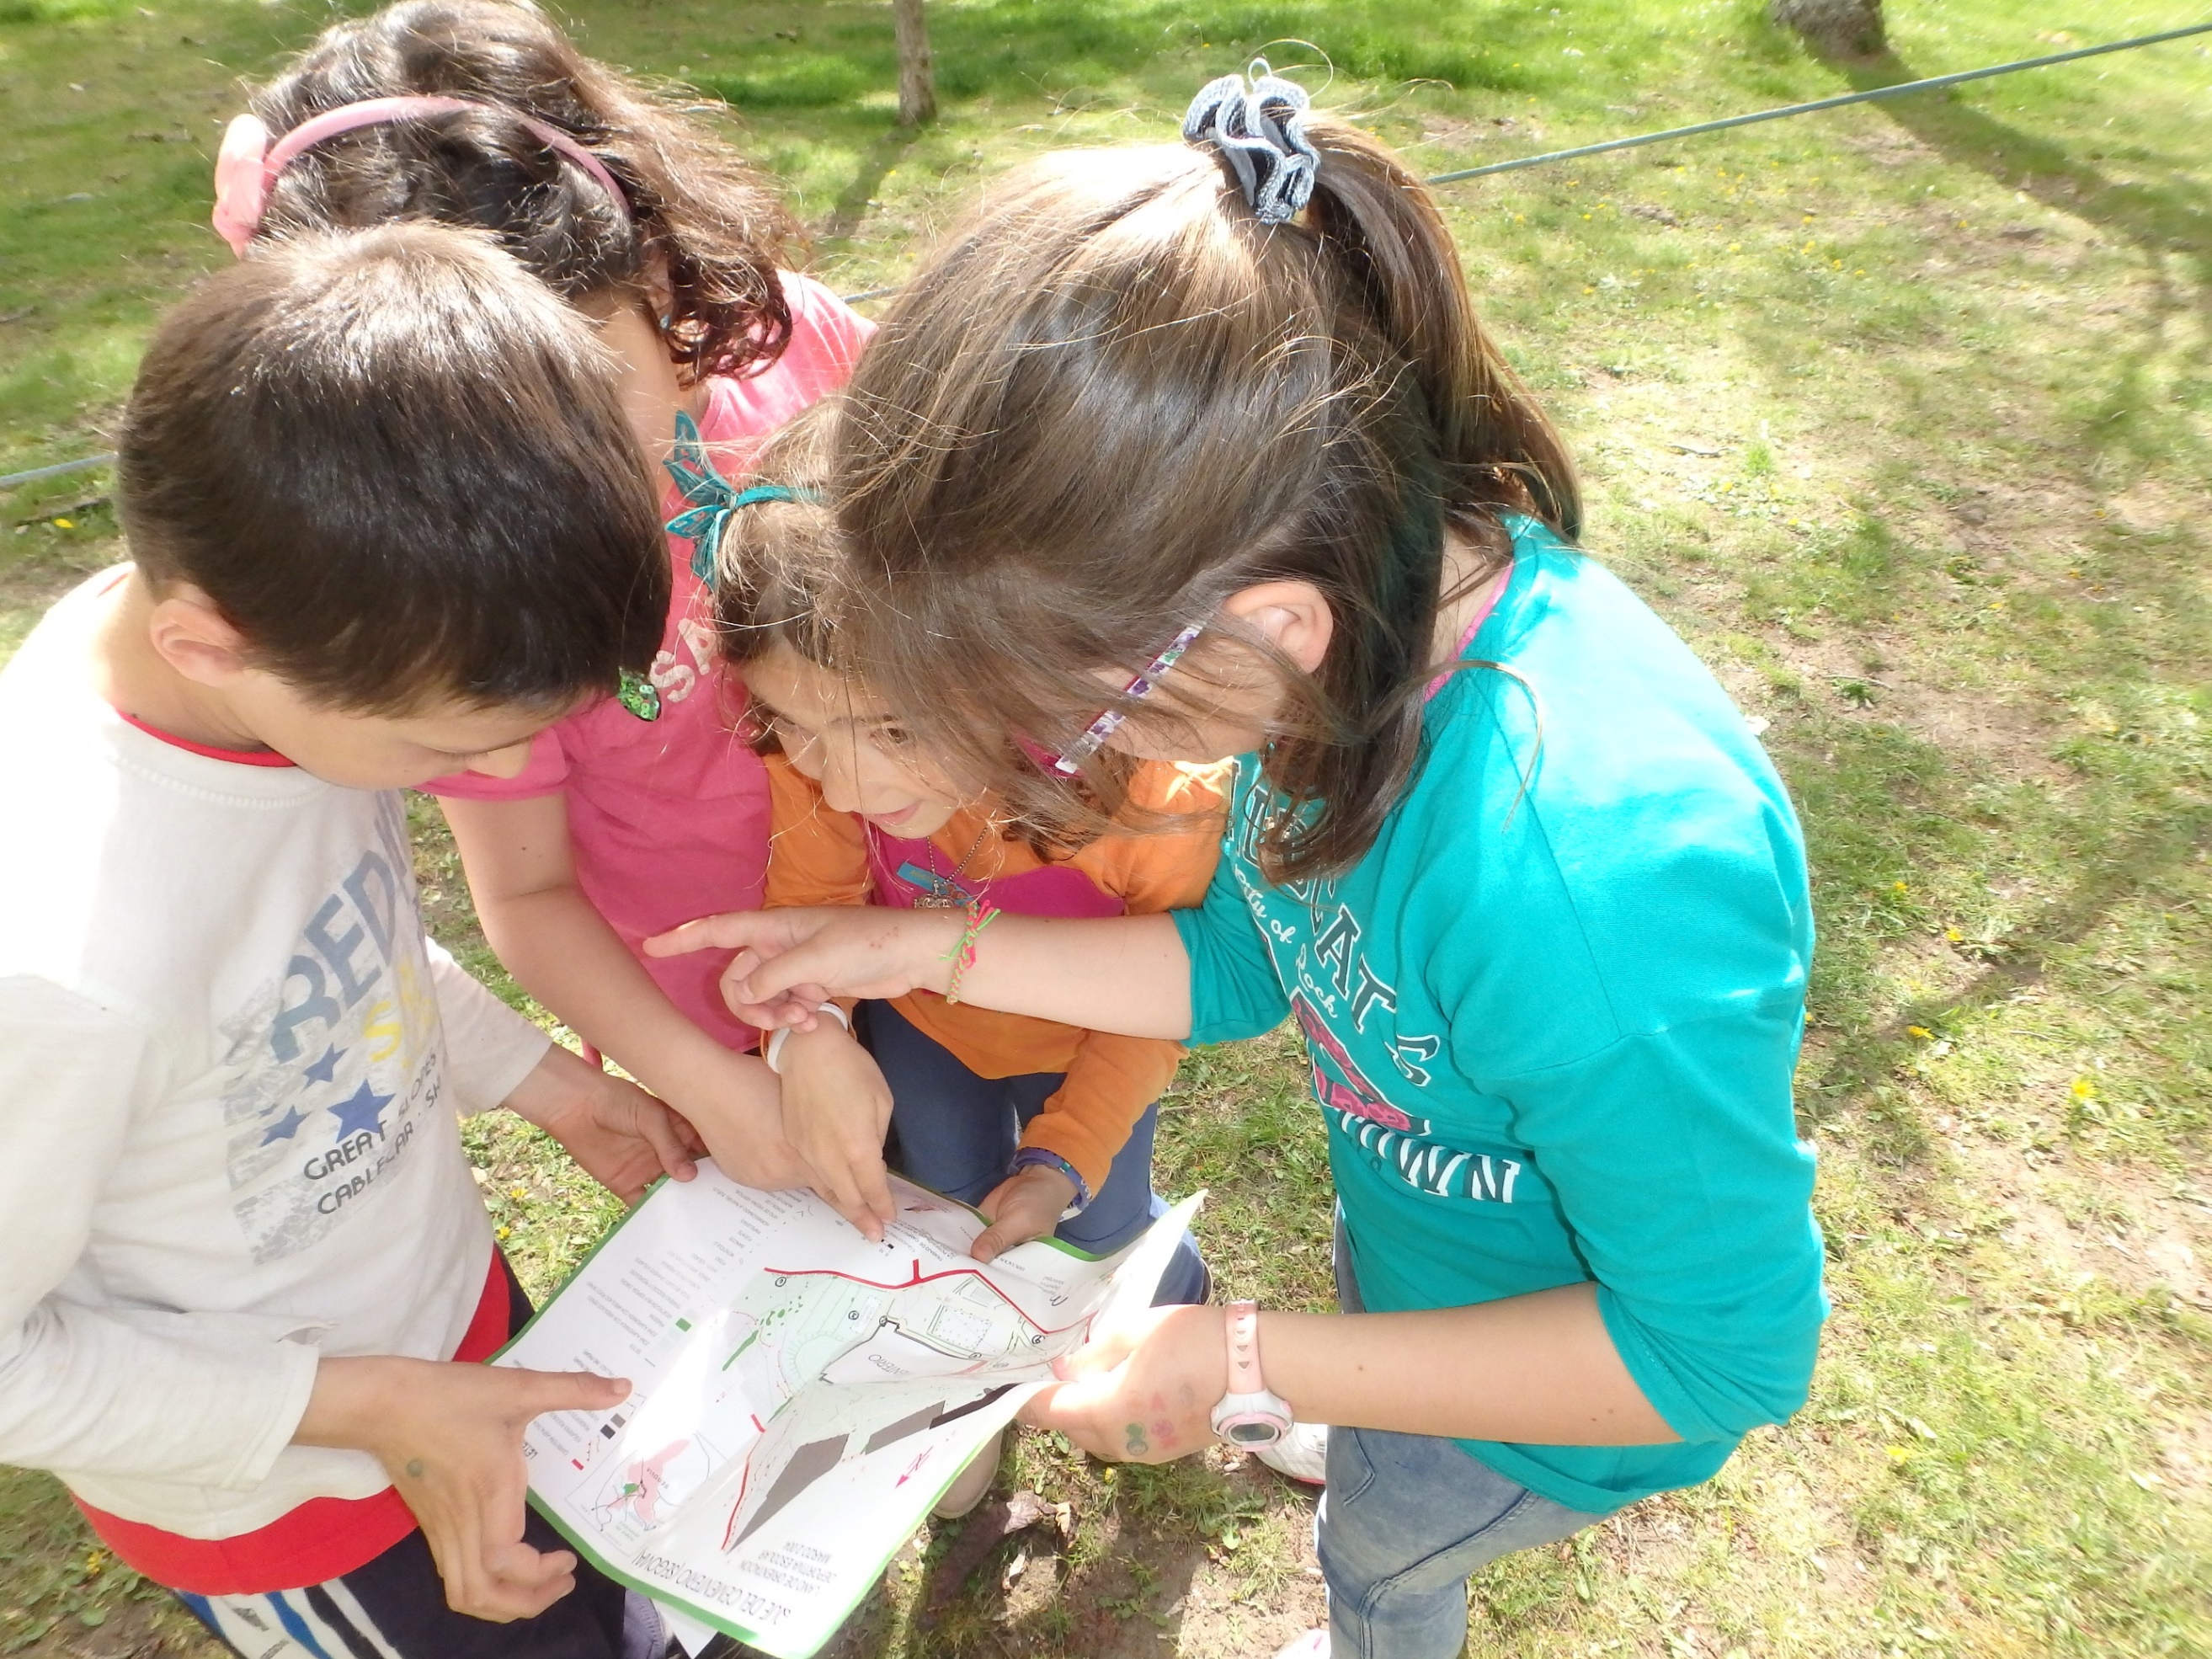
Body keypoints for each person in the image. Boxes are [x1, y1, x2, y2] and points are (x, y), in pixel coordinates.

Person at [647, 67, 1828, 1659]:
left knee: (1388, 1562)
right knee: (1373, 1467)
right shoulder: (1324, 655)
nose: (1033, 766)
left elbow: (1718, 1351)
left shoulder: (1585, 885)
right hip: (1421, 1263)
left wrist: (1246, 1352)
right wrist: (923, 952)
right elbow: (1249, 961)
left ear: (1262, 625)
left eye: (1051, 716)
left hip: (1552, 1403)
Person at [0, 227, 704, 1659]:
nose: (485, 777)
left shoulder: (273, 666)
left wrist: (539, 1081)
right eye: (448, 747)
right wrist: (372, 1405)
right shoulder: (58, 965)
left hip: (448, 1324)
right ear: (210, 639)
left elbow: (330, 948)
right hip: (301, 1485)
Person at [220, 0, 871, 1171]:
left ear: (650, 255)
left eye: (583, 387)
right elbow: (526, 897)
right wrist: (708, 1085)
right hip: (725, 1025)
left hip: (966, 934)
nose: (573, 473)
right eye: (499, 449)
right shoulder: (478, 592)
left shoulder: (811, 355)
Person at [691, 408, 1217, 1515]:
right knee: (947, 1205)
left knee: (1105, 1226)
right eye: (796, 727)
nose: (843, 786)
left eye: (888, 729)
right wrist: (811, 1031)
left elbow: (1151, 1013)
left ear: (1002, 660)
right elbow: (817, 916)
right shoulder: (824, 764)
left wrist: (1066, 1154)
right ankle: (975, 1397)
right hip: (925, 1036)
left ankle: (1182, 1333)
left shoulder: (1149, 795)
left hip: (1089, 1056)